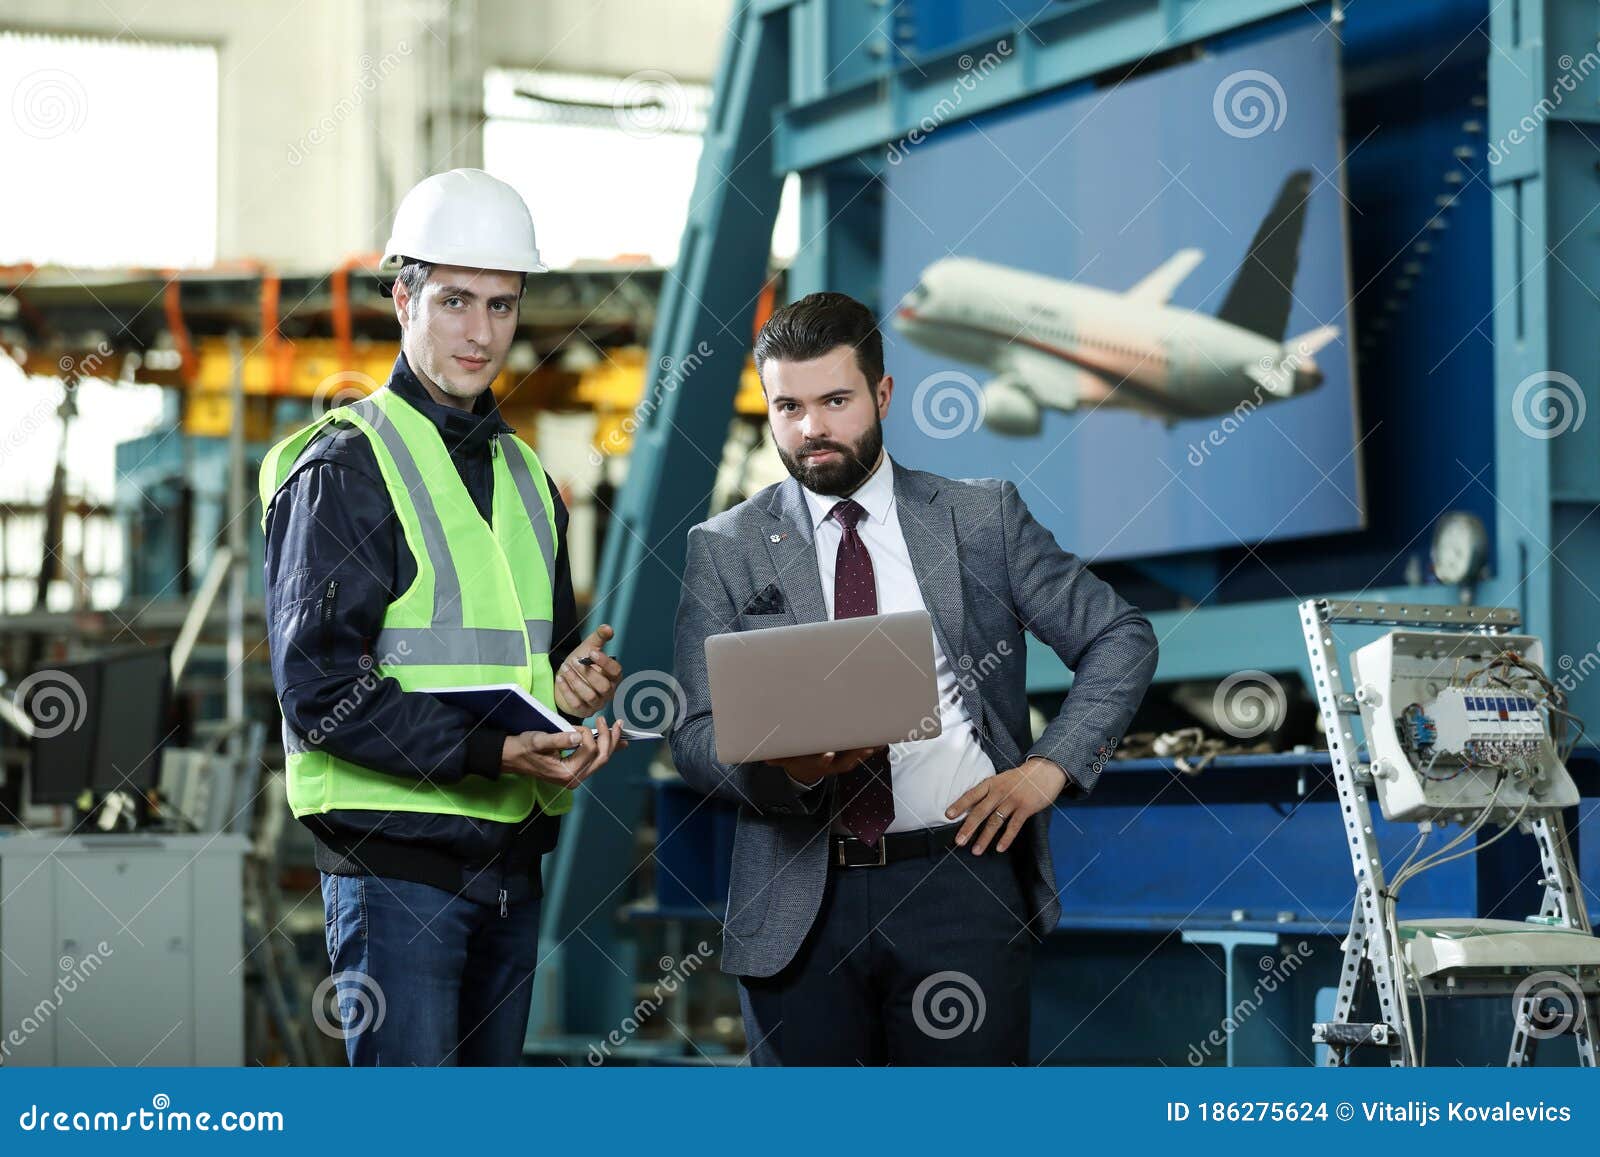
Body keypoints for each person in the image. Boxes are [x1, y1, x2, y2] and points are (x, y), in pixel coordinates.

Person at [670, 291, 1158, 1064]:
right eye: (787, 406)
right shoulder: (725, 547)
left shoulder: (981, 520)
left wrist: (1047, 768)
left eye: (835, 400)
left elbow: (1120, 636)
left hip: (958, 884)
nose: (812, 429)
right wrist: (785, 774)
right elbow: (693, 733)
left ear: (883, 393)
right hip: (800, 895)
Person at [261, 168, 626, 1065]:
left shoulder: (533, 483)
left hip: (509, 866)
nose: (479, 332)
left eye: (501, 306)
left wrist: (570, 695)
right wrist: (491, 750)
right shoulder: (346, 467)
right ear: (403, 296)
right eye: (455, 300)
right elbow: (318, 690)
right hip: (397, 871)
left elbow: (537, 657)